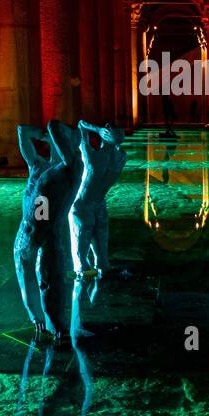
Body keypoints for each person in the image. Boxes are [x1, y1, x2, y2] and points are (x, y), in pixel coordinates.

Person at [12, 120, 82, 340]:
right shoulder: (40, 165)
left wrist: (53, 131)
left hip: (49, 231)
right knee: (26, 270)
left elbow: (54, 127)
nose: (53, 141)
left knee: (51, 278)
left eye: (60, 139)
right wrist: (41, 134)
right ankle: (36, 316)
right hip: (28, 231)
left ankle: (56, 323)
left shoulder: (71, 167)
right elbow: (22, 130)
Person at [68, 121, 126, 337]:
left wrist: (95, 129)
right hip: (95, 206)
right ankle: (88, 314)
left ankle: (83, 317)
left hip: (85, 205)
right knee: (97, 261)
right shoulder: (120, 158)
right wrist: (107, 133)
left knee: (85, 264)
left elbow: (80, 125)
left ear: (104, 136)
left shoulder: (92, 155)